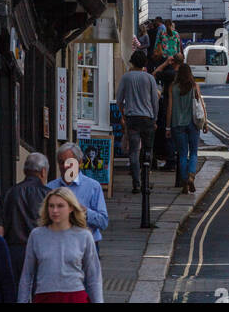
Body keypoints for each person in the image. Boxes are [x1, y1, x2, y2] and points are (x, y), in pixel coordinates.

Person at [18, 188, 102, 304]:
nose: (55, 210)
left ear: (71, 208)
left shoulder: (84, 236)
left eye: (60, 206)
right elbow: (27, 275)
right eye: (51, 206)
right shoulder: (37, 235)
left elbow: (93, 277)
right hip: (44, 297)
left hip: (75, 297)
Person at [0, 151, 51, 282]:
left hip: (14, 252)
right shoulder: (49, 195)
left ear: (25, 171)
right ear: (43, 172)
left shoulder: (9, 193)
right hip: (41, 250)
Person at [116, 48, 160, 194]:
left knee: (134, 152)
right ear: (144, 63)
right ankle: (145, 181)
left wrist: (124, 115)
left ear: (132, 61)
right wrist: (155, 119)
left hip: (132, 119)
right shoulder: (149, 78)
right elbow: (155, 101)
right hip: (147, 119)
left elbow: (119, 100)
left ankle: (136, 184)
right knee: (148, 150)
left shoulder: (126, 77)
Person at [48, 144, 109, 248]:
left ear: (79, 162)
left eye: (69, 162)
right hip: (58, 244)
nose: (65, 166)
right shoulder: (50, 188)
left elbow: (103, 222)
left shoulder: (93, 187)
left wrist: (85, 212)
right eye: (61, 162)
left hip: (86, 245)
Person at [167, 61, 207, 194]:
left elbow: (170, 108)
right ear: (190, 73)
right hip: (193, 124)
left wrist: (167, 127)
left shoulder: (173, 87)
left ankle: (185, 181)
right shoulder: (194, 86)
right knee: (194, 152)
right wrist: (205, 122)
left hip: (177, 124)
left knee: (182, 154)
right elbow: (200, 105)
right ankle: (191, 176)